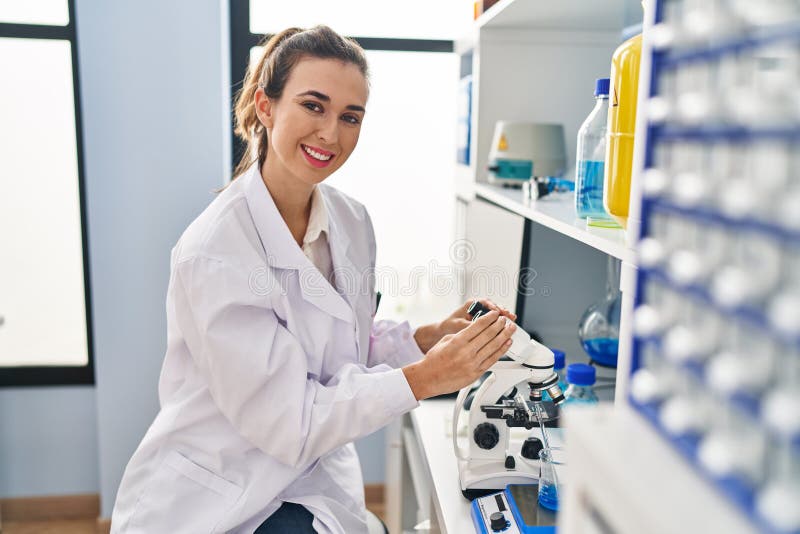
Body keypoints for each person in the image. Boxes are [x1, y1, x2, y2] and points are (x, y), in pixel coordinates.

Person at [111, 26, 516, 534]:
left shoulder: (351, 221)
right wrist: (429, 377)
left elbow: (337, 350)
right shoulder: (215, 251)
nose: (331, 133)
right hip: (219, 493)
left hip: (308, 481)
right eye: (313, 106)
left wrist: (426, 339)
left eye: (351, 117)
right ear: (265, 106)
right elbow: (290, 422)